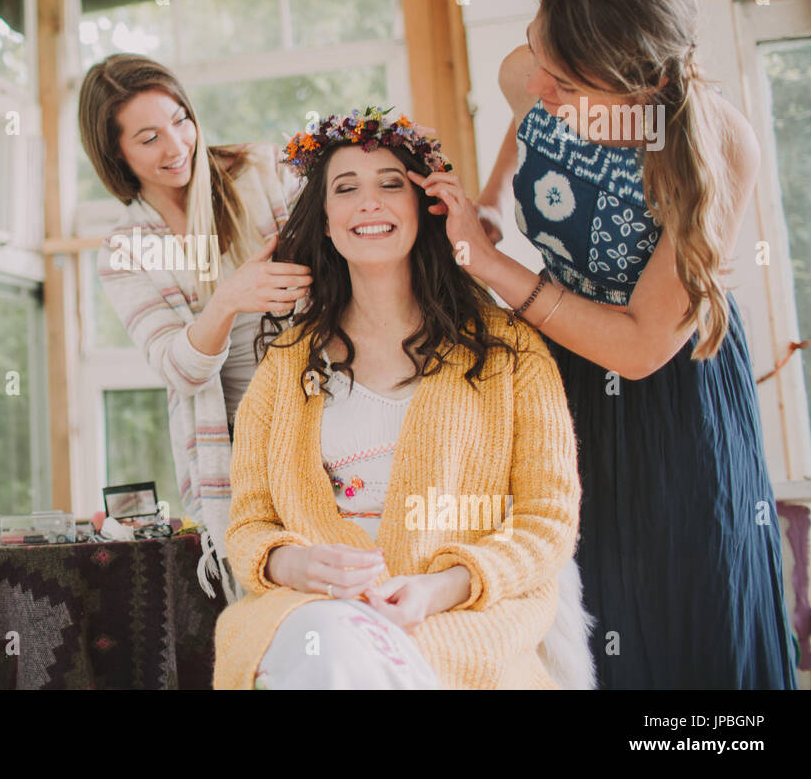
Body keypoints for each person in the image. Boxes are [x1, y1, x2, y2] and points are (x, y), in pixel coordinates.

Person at [428, 0, 798, 688]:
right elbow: (511, 171)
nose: (537, 85)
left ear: (644, 81)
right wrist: (487, 214)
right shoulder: (535, 73)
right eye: (537, 54)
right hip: (560, 384)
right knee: (585, 606)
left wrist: (490, 266)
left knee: (680, 611)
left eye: (562, 81)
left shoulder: (719, 146)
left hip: (672, 409)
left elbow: (638, 348)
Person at [213, 108, 585, 689]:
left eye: (391, 184)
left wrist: (439, 588)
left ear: (425, 207)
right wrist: (295, 564)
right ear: (327, 222)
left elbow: (548, 520)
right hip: (312, 617)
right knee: (331, 647)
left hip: (459, 615)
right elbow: (249, 524)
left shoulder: (509, 350)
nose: (370, 202)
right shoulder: (284, 368)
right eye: (346, 188)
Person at [79, 53, 310, 601]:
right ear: (116, 151)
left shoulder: (263, 172)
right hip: (237, 450)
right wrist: (228, 299)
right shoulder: (125, 250)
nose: (177, 145)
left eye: (181, 119)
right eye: (149, 137)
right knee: (270, 606)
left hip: (320, 413)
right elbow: (180, 370)